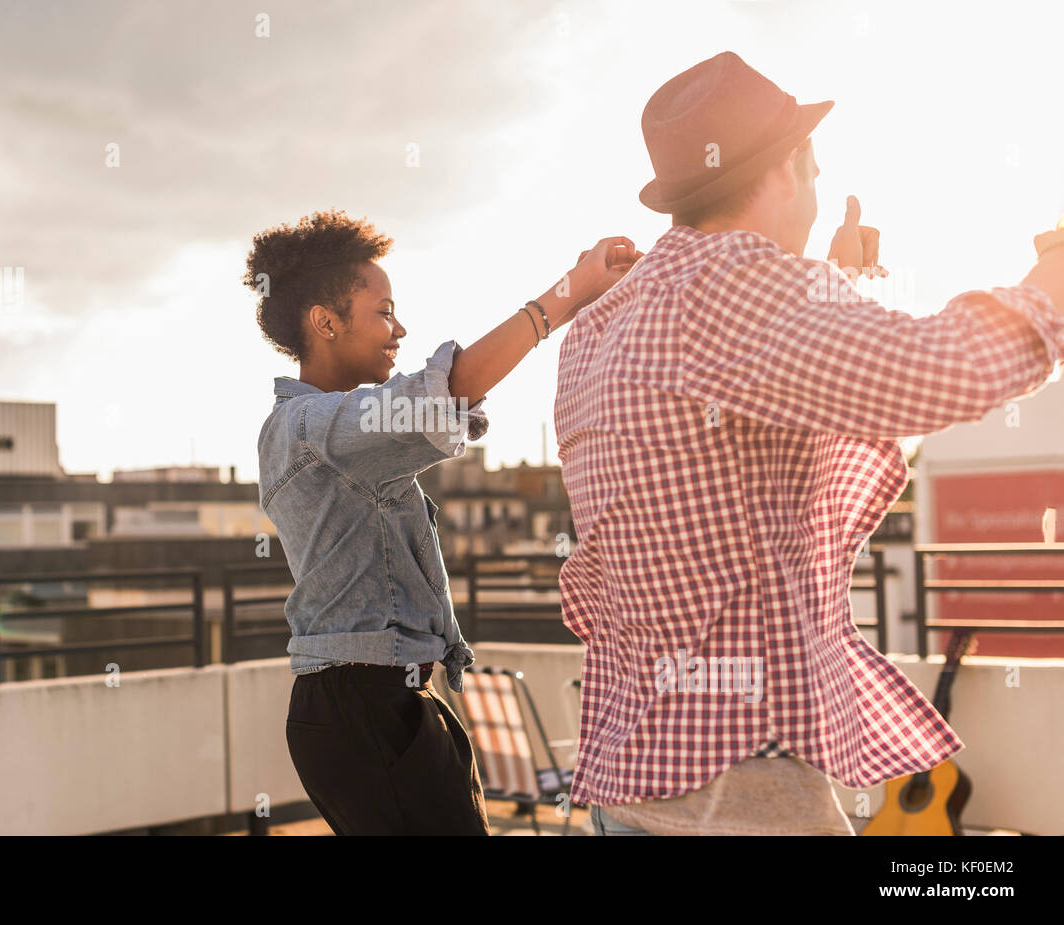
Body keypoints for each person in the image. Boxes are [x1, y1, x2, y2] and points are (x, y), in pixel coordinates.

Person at [556, 51, 1064, 836]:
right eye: (813, 164)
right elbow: (951, 370)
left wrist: (834, 285)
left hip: (634, 780)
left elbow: (735, 429)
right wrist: (1053, 272)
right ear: (788, 168)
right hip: (737, 796)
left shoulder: (598, 326)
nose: (818, 181)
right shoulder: (733, 287)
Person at [246, 209, 637, 835]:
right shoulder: (312, 428)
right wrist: (567, 292)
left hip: (376, 699)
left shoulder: (329, 430)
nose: (399, 329)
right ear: (325, 322)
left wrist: (581, 297)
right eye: (383, 312)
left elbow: (451, 398)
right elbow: (445, 392)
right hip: (365, 704)